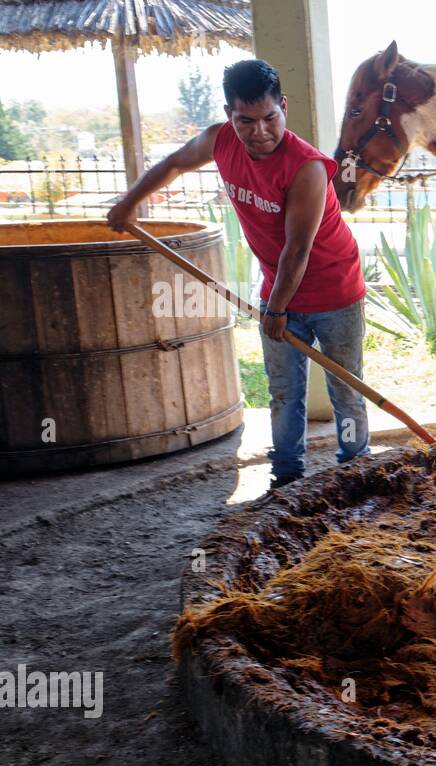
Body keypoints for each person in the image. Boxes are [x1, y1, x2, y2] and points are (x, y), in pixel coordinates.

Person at [109, 59, 370, 490]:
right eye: (246, 120)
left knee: (346, 390)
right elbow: (174, 163)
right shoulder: (219, 141)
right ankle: (286, 477)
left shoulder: (307, 167)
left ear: (283, 106)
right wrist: (131, 201)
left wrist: (277, 310)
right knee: (285, 393)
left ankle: (357, 473)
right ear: (229, 114)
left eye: (271, 117)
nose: (260, 131)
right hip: (280, 291)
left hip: (334, 290)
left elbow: (297, 251)